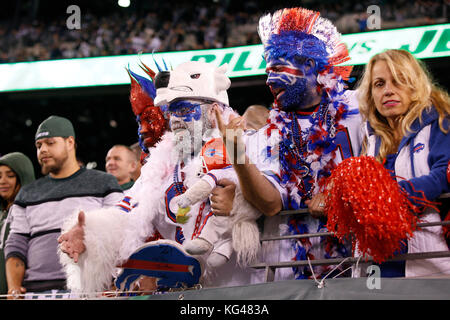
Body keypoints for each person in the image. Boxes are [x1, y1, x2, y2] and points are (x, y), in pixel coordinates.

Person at [58, 61, 255, 294]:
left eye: (183, 110)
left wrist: (242, 202)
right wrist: (91, 232)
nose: (175, 120)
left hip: (236, 289)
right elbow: (130, 211)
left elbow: (274, 196)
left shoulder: (246, 144)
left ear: (213, 111)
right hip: (176, 294)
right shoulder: (160, 162)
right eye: (172, 112)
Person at [215, 7, 363, 281]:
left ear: (309, 65)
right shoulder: (268, 133)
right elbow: (270, 204)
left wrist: (341, 195)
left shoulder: (358, 108)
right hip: (286, 272)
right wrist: (236, 151)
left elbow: (384, 162)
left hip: (355, 263)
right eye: (267, 71)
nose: (269, 80)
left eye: (278, 69)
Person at [4, 115, 123, 298]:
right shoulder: (26, 193)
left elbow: (122, 239)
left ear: (70, 142)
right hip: (35, 291)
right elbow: (16, 246)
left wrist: (117, 284)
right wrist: (13, 287)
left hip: (92, 289)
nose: (43, 150)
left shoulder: (104, 183)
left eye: (50, 143)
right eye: (38, 145)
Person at [356, 49, 450, 277]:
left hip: (433, 260)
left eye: (398, 81)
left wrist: (390, 197)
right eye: (379, 84)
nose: (388, 91)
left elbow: (443, 175)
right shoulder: (369, 136)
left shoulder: (440, 120)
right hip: (378, 264)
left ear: (414, 85)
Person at [0, 152, 35, 295]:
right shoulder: (2, 214)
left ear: (23, 177)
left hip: (21, 293)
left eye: (10, 175)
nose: (2, 181)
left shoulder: (33, 213)